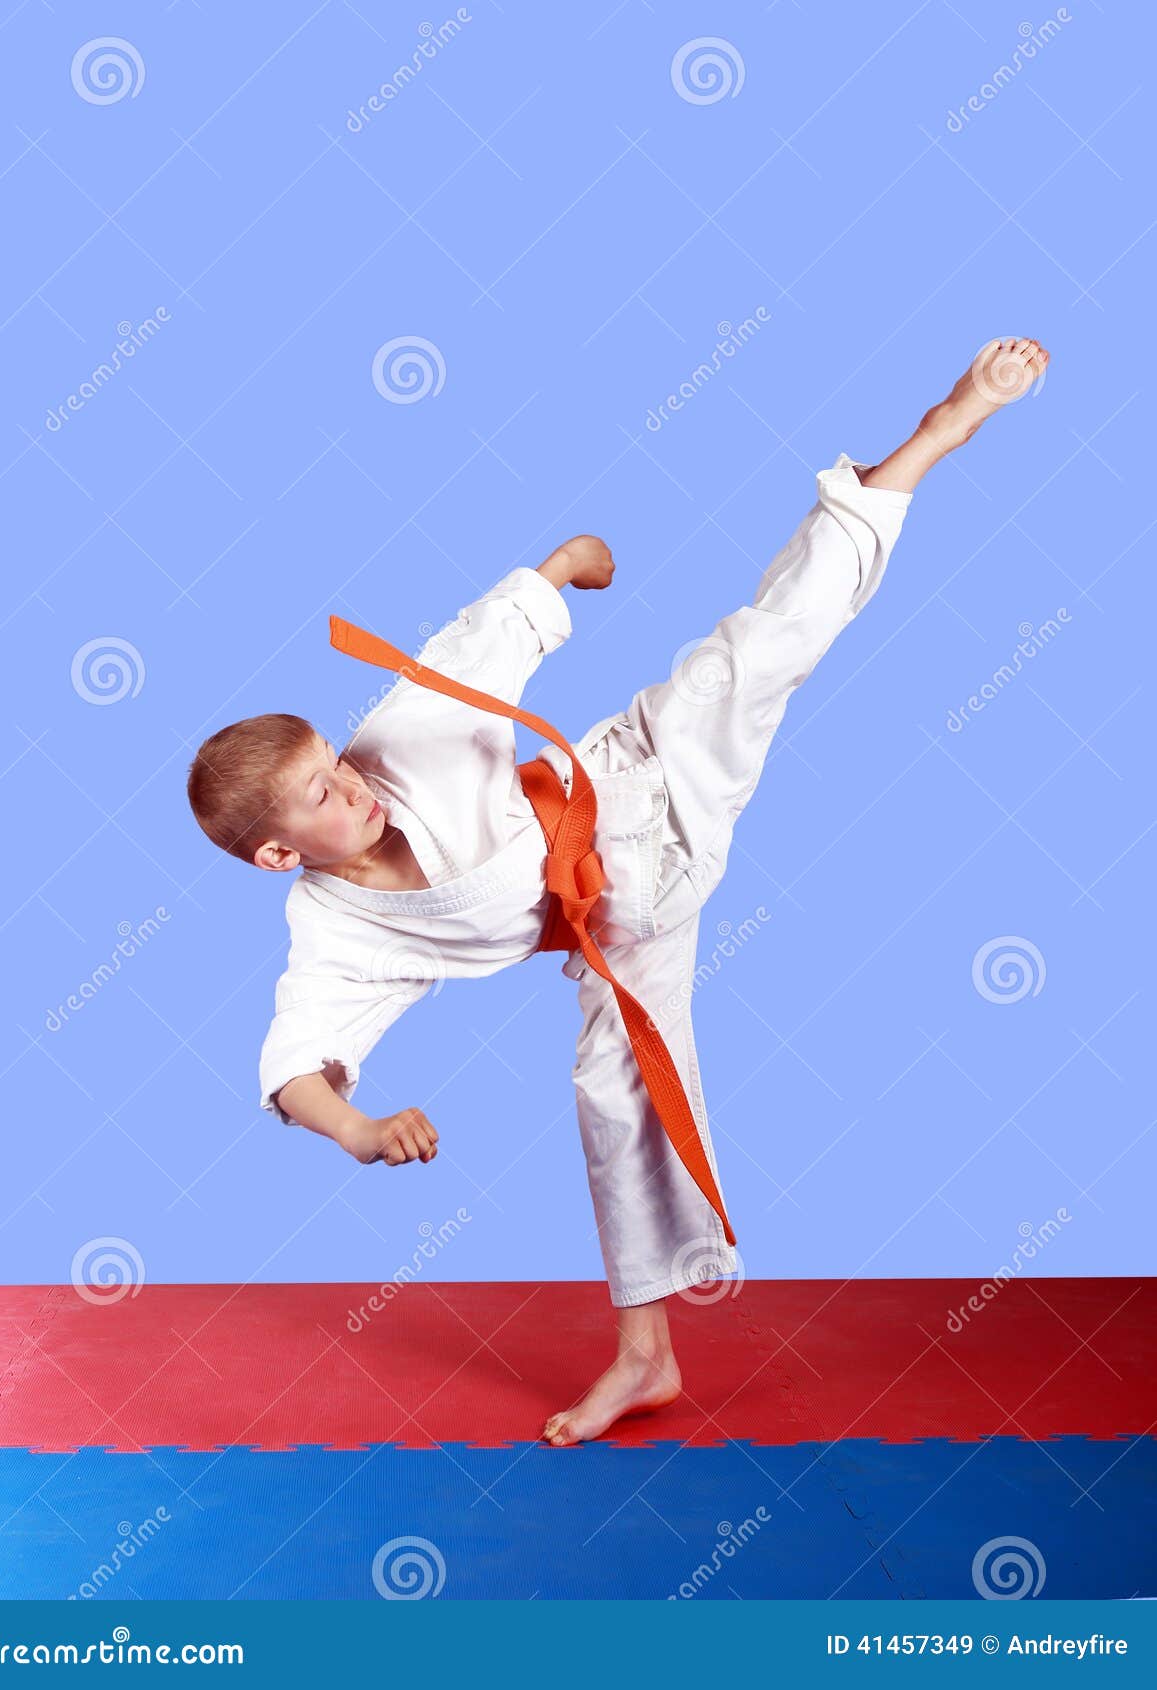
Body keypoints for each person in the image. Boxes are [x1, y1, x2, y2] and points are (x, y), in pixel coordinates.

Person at [187, 338, 1049, 1445]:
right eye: (320, 792)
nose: (351, 782)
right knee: (612, 1093)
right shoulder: (336, 926)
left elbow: (481, 642)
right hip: (624, 930)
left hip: (640, 775)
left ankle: (933, 434)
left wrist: (562, 566)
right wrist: (356, 1130)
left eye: (334, 760)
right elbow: (293, 1061)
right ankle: (646, 1358)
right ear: (276, 853)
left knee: (762, 646)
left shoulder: (398, 738)